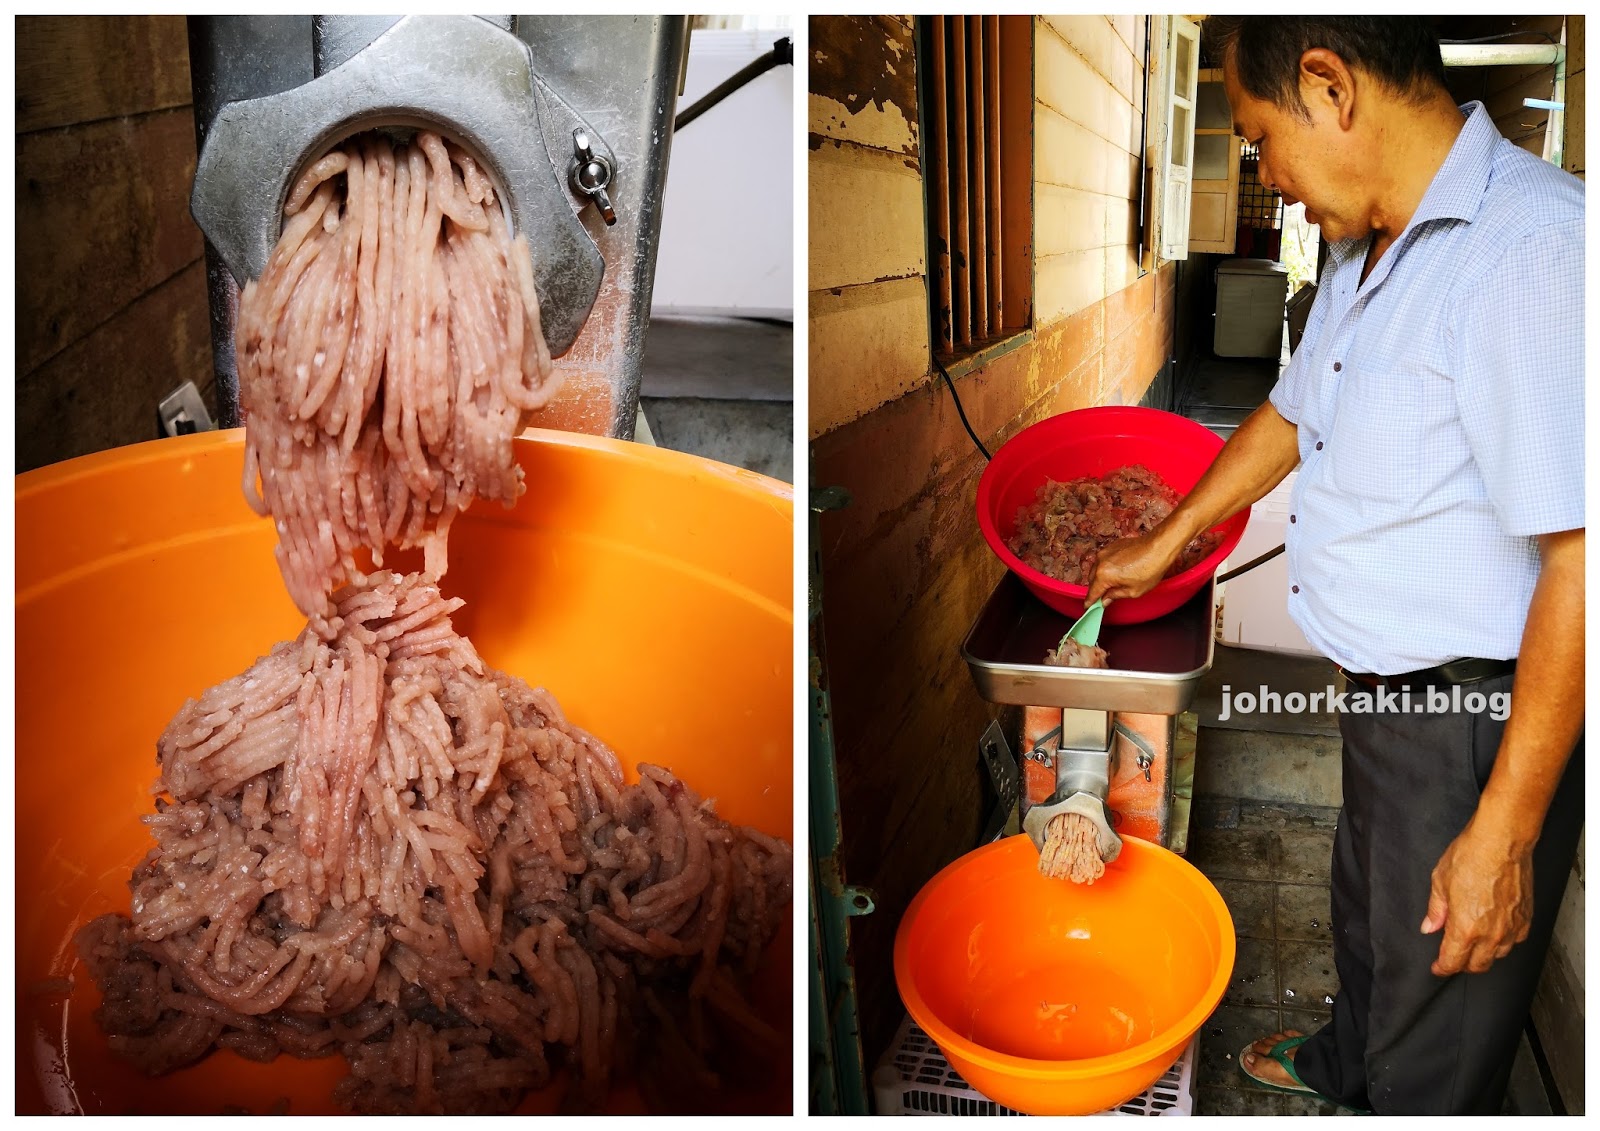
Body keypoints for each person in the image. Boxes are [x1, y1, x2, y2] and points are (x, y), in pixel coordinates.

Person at [1086, 15, 1584, 1116]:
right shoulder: (1369, 246)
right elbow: (1293, 408)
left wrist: (1502, 832)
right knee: (1368, 924)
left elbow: (1582, 561)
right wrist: (1166, 539)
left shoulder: (1534, 251)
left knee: (1438, 1004)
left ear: (1330, 88)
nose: (1270, 176)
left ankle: (1392, 1091)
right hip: (1390, 704)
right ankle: (1346, 1060)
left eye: (1262, 137)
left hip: (1478, 727)